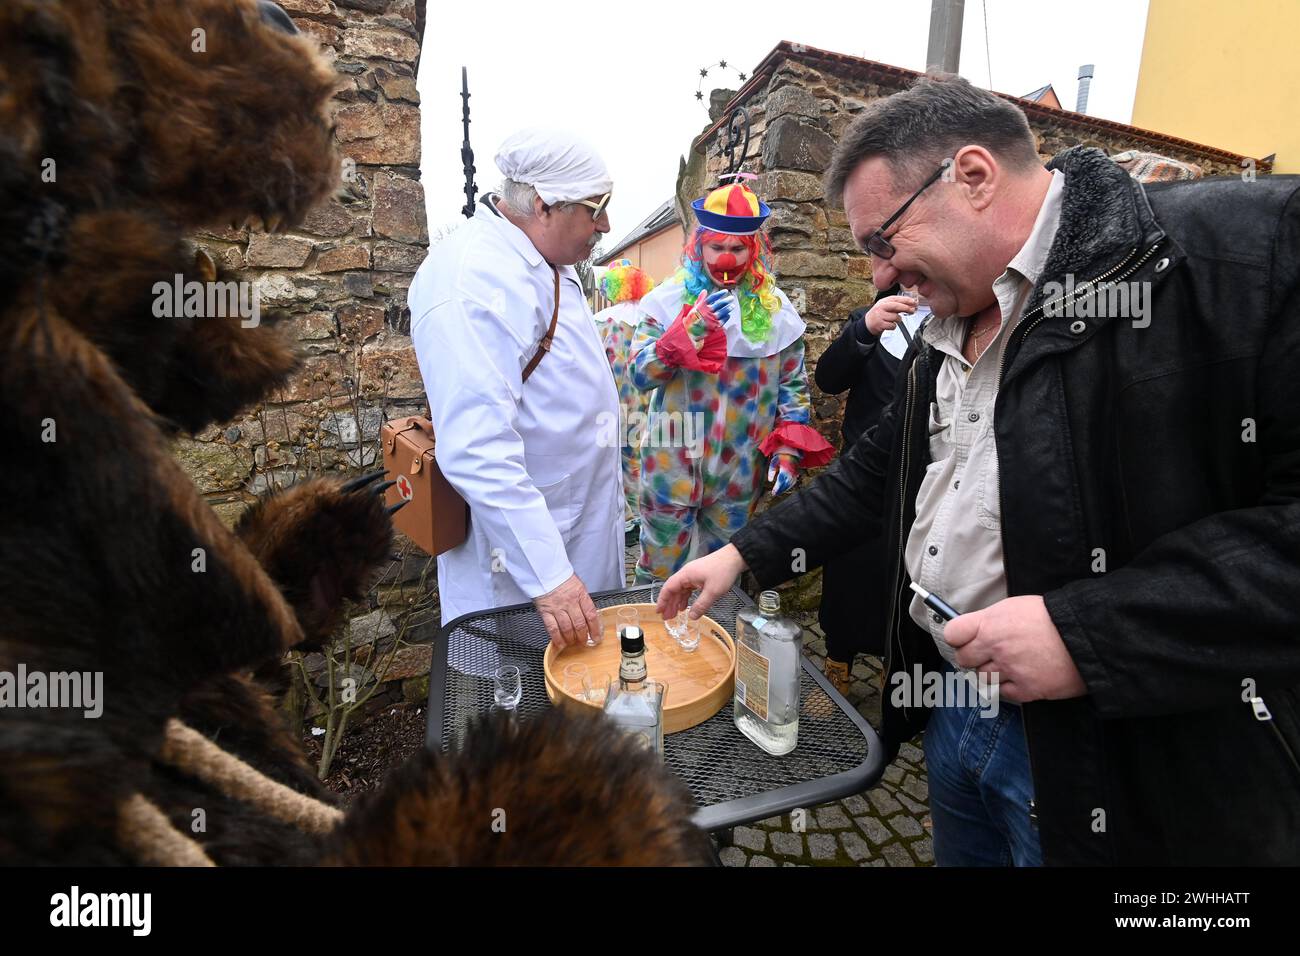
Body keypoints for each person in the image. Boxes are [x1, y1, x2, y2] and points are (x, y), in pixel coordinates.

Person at [657, 72, 1300, 866]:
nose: (881, 279)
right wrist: (741, 554)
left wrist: (1091, 634)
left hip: (1128, 762)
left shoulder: (1249, 251)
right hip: (956, 713)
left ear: (971, 176)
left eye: (882, 243)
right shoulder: (948, 322)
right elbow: (876, 471)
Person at [408, 127, 623, 647]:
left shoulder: (545, 259)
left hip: (576, 524)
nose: (607, 223)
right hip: (521, 571)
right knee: (517, 706)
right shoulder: (471, 281)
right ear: (546, 205)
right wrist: (550, 580)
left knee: (579, 694)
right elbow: (477, 449)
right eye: (597, 207)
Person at [628, 176, 834, 582]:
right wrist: (683, 336)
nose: (726, 257)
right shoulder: (668, 302)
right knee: (659, 574)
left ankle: (715, 643)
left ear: (752, 249)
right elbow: (639, 374)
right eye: (716, 247)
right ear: (699, 247)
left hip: (739, 472)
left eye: (737, 247)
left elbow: (792, 390)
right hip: (671, 462)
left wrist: (788, 451)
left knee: (720, 579)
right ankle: (651, 644)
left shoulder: (778, 311)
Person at [813, 286, 930, 694]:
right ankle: (838, 659)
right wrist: (862, 331)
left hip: (919, 478)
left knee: (904, 574)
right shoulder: (870, 319)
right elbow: (828, 380)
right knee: (848, 570)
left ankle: (895, 662)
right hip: (861, 476)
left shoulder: (957, 326)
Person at [592, 258, 657, 536]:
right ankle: (646, 513)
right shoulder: (651, 318)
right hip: (648, 396)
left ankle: (628, 516)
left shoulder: (600, 321)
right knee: (642, 455)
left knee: (616, 457)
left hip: (611, 400)